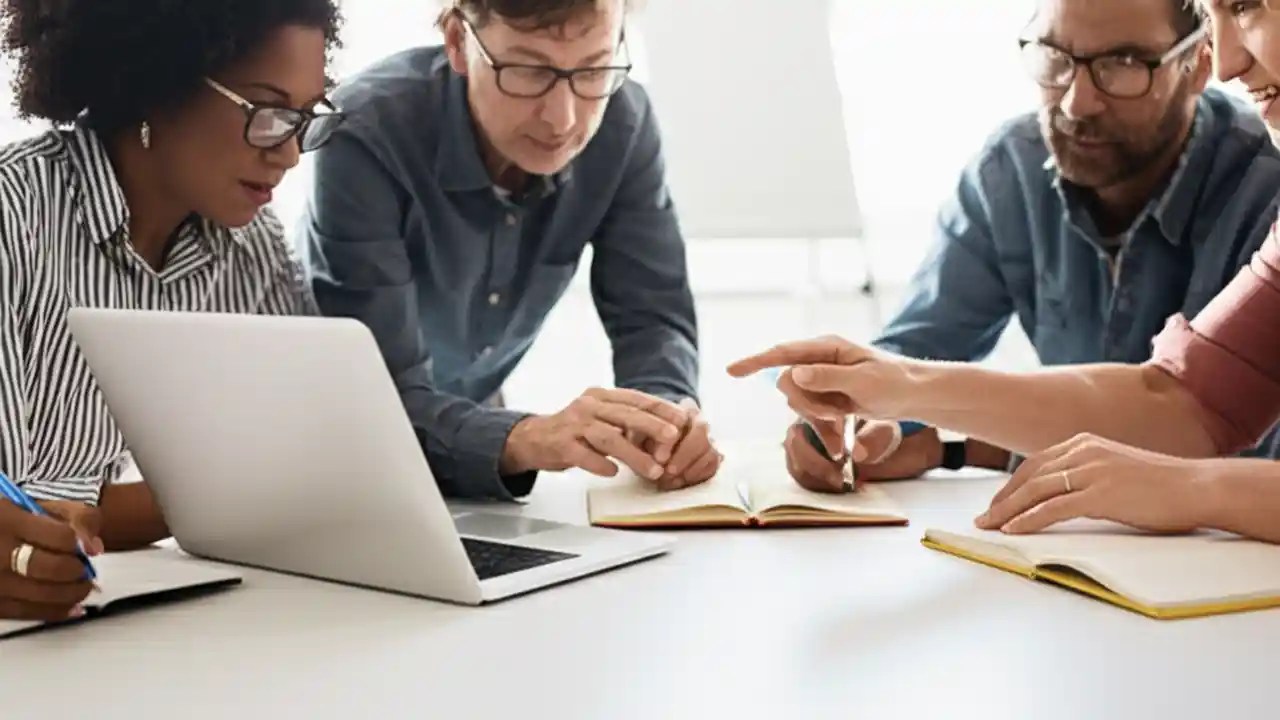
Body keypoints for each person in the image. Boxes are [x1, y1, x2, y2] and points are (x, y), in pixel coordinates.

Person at [732, 0, 1280, 546]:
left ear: (1195, 68)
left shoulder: (1263, 179)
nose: (1078, 100)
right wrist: (896, 389)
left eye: (1125, 63)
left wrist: (1195, 487)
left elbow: (1197, 440)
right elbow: (1185, 405)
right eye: (1055, 57)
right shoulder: (1010, 169)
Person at [0, 0, 345, 621]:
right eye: (267, 113)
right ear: (157, 84)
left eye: (303, 119)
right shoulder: (14, 218)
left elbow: (276, 475)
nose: (290, 154)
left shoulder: (253, 251)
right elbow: (22, 508)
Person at [301, 0, 719, 502]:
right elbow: (378, 396)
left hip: (471, 443)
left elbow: (651, 317)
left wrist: (664, 418)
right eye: (527, 71)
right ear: (457, 41)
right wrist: (525, 437)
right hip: (333, 453)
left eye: (592, 69)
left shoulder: (624, 124)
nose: (562, 119)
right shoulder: (362, 132)